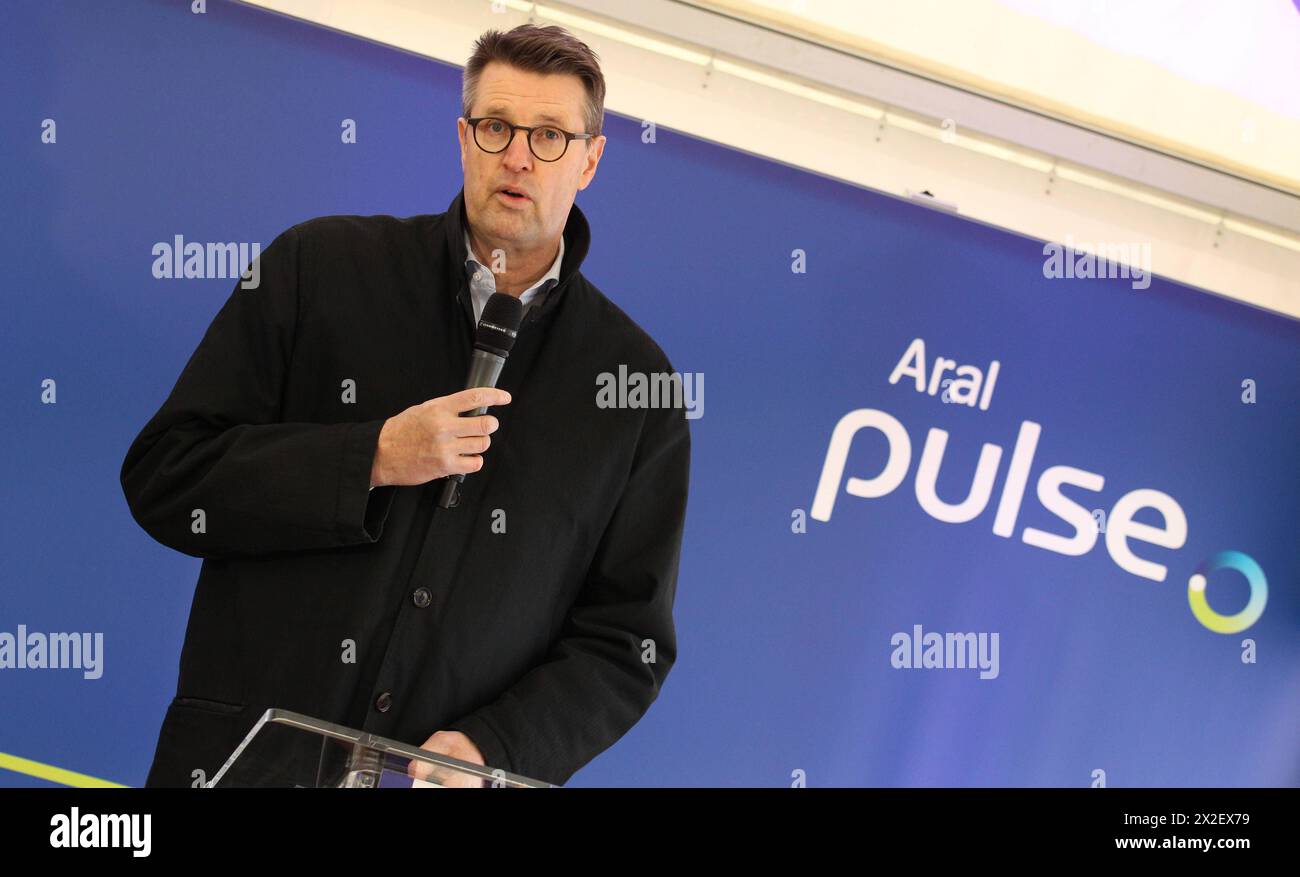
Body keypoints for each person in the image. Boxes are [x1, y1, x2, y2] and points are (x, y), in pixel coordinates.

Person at [120, 24, 691, 788]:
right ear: (462, 138)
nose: (518, 157)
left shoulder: (636, 389)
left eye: (550, 135)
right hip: (241, 767)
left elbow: (626, 643)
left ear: (590, 160)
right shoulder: (317, 269)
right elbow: (167, 477)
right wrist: (372, 457)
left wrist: (498, 745)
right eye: (496, 127)